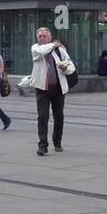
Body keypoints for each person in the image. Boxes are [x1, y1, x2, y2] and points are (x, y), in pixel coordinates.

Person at [30, 27, 74, 156]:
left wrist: (65, 67)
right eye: (40, 36)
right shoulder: (36, 48)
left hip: (58, 88)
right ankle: (42, 145)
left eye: (45, 36)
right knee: (43, 116)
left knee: (59, 116)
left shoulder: (59, 51)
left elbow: (70, 64)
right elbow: (43, 51)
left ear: (49, 37)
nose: (42, 38)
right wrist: (53, 44)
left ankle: (57, 141)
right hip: (42, 88)